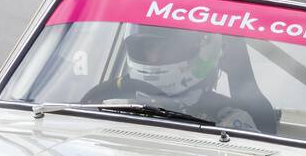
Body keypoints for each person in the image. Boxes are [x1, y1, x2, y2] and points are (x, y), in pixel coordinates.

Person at [84, 27, 260, 132]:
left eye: (167, 49)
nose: (152, 58)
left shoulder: (231, 119)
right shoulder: (109, 103)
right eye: (145, 48)